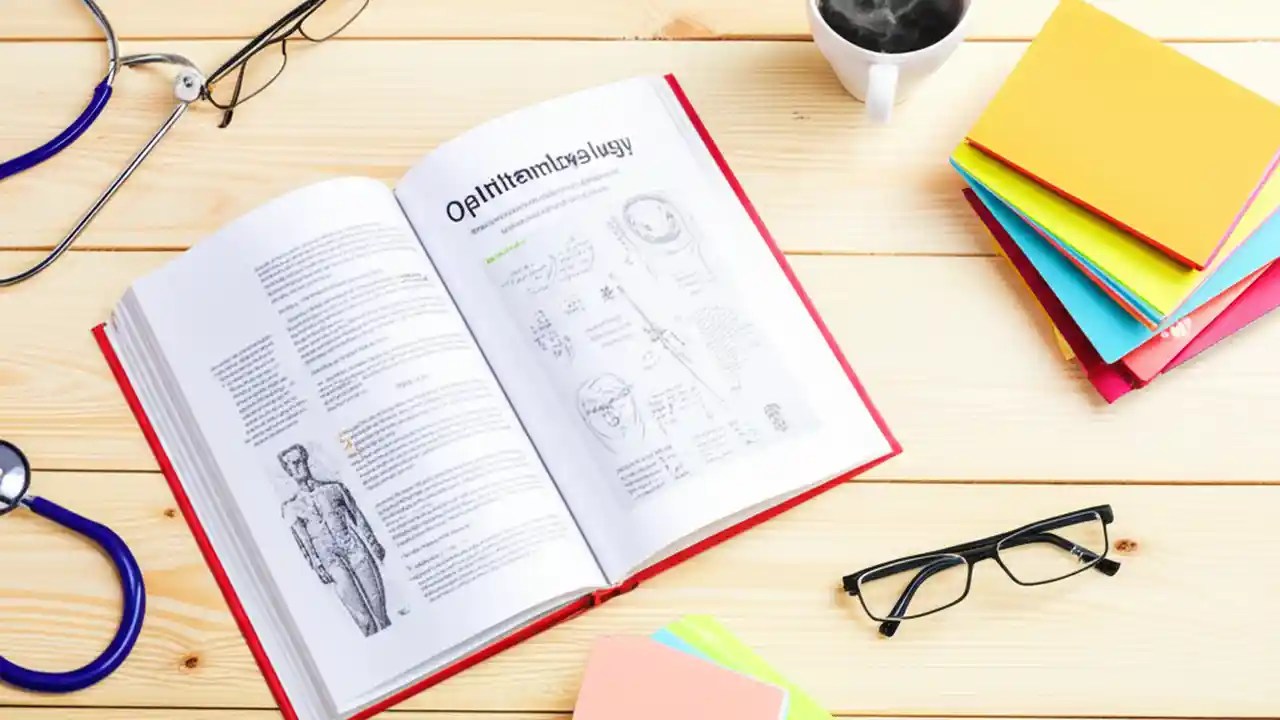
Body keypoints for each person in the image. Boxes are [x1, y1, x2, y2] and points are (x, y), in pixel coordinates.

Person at [278, 444, 391, 637]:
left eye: (300, 461)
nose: (298, 467)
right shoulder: (291, 507)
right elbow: (303, 541)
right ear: (287, 470)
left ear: (306, 460)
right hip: (330, 559)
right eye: (292, 464)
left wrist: (373, 543)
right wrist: (316, 564)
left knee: (378, 604)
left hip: (354, 548)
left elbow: (357, 517)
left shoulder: (334, 489)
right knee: (361, 616)